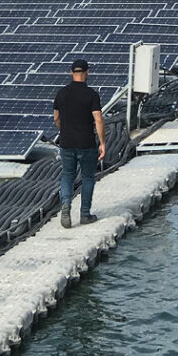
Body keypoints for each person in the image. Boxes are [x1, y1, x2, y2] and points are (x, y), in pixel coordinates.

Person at [52, 58, 106, 228]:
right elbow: (98, 119)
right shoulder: (92, 94)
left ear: (71, 73)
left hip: (67, 142)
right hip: (86, 143)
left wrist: (64, 130)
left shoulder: (61, 93)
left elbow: (56, 118)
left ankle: (66, 204)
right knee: (88, 177)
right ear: (87, 72)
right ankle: (85, 214)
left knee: (68, 175)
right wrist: (103, 142)